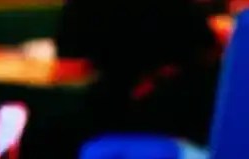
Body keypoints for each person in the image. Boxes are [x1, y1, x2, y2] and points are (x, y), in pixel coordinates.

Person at [56, 0, 222, 144]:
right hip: (186, 118)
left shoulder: (80, 8)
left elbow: (69, 68)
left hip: (109, 115)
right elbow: (208, 51)